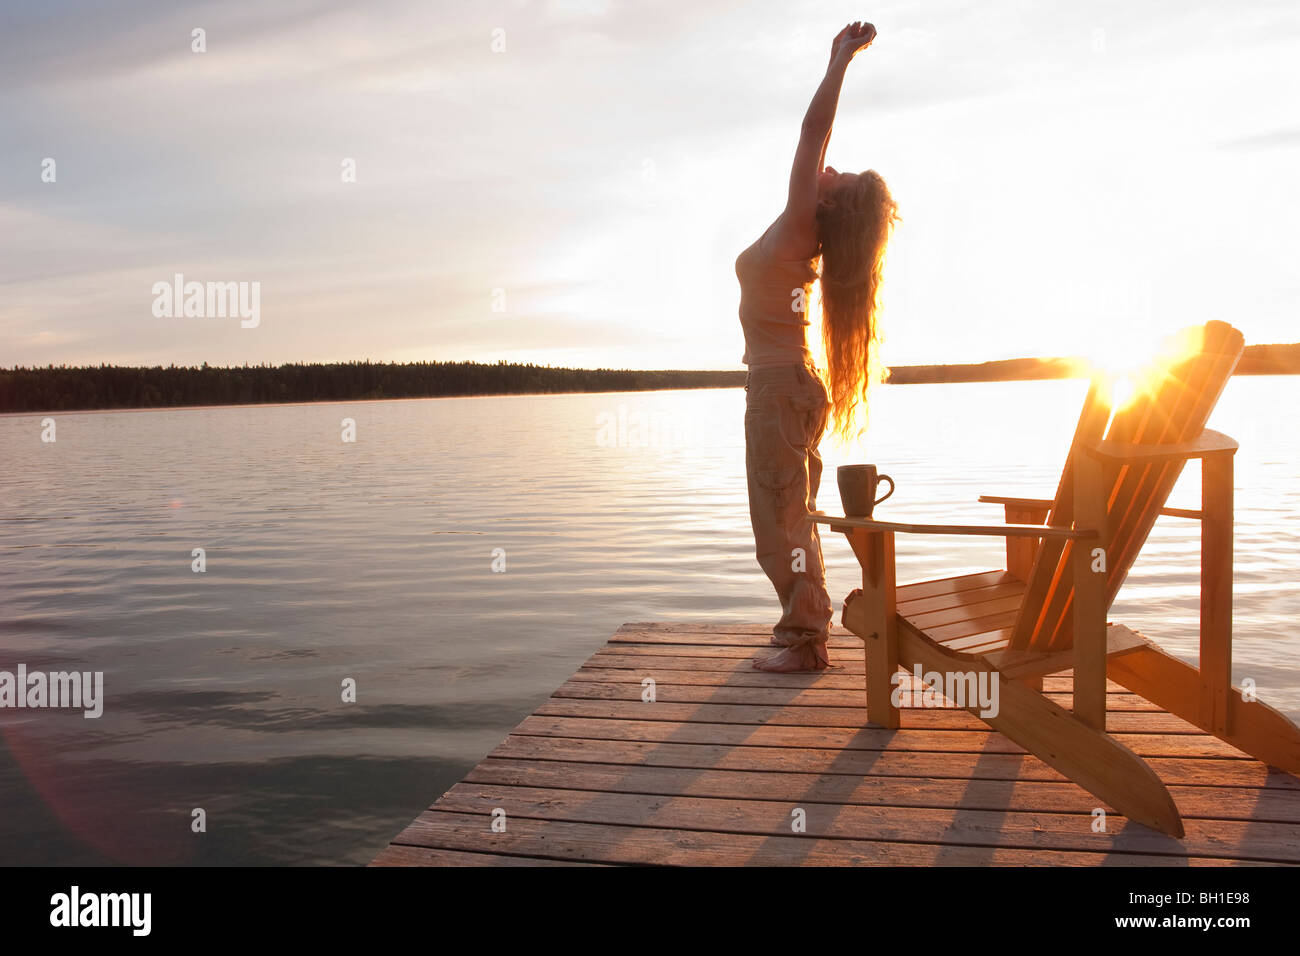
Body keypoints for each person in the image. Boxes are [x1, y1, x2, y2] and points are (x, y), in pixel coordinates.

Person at [737, 21, 899, 672]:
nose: (828, 167)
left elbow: (812, 136)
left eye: (840, 174)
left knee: (780, 519)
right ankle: (805, 629)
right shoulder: (800, 232)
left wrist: (838, 61)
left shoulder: (805, 221)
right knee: (788, 514)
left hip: (780, 388)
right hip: (787, 386)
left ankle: (805, 639)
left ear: (831, 204)